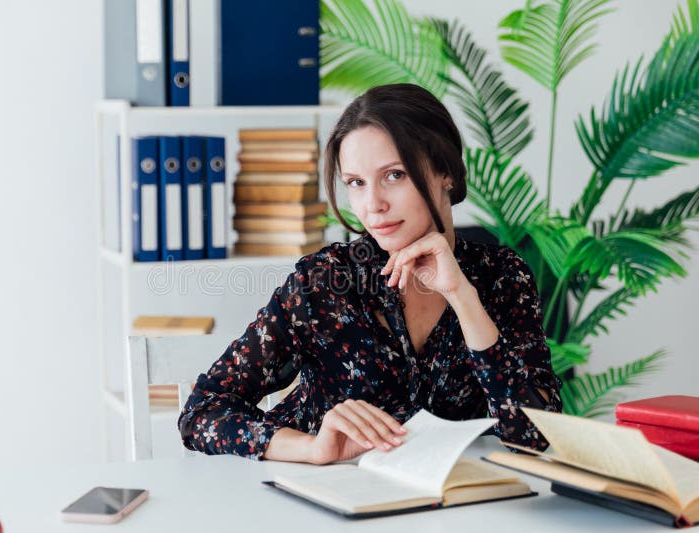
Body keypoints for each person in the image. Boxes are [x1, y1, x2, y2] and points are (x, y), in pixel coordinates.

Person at [178, 83, 562, 464]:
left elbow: (534, 437)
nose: (373, 205)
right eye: (356, 183)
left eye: (394, 175)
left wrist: (462, 297)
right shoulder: (324, 283)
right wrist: (310, 448)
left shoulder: (502, 278)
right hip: (325, 502)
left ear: (445, 171)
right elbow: (201, 412)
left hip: (445, 513)